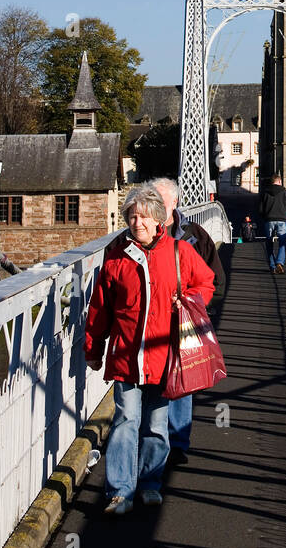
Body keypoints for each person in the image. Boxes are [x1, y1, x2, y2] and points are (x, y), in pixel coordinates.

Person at [85, 184, 215, 515]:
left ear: (158, 219)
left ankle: (150, 483)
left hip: (164, 355)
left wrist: (189, 300)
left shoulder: (180, 252)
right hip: (127, 356)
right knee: (125, 420)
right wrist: (93, 349)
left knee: (157, 425)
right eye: (132, 216)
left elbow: (206, 281)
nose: (137, 222)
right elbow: (100, 308)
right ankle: (119, 491)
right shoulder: (116, 257)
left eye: (143, 216)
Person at [151, 177, 223, 466]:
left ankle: (178, 443)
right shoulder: (139, 234)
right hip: (152, 323)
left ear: (174, 202)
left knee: (183, 379)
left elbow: (215, 278)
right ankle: (157, 445)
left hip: (185, 322)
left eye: (160, 201)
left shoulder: (195, 235)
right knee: (156, 382)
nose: (155, 207)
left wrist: (196, 306)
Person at [258, 174, 286, 274]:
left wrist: (264, 217)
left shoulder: (265, 193)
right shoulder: (284, 192)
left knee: (269, 243)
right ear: (279, 181)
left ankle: (272, 265)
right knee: (282, 242)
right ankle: (279, 262)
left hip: (269, 220)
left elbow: (260, 209)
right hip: (282, 220)